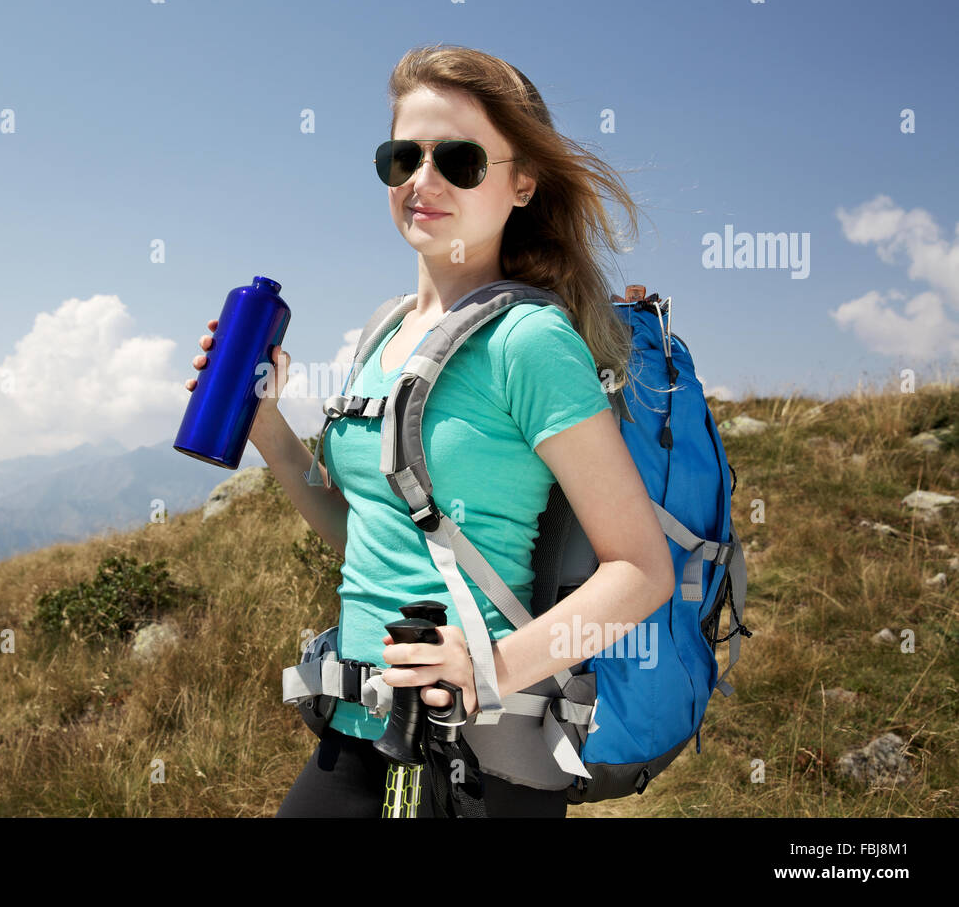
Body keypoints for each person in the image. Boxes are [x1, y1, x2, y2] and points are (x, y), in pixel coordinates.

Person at [185, 45, 675, 817]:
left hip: (476, 765)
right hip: (352, 737)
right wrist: (266, 427)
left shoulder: (529, 342)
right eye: (401, 156)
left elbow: (642, 571)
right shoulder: (387, 330)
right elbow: (372, 535)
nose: (423, 179)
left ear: (522, 181)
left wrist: (490, 666)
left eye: (459, 159)